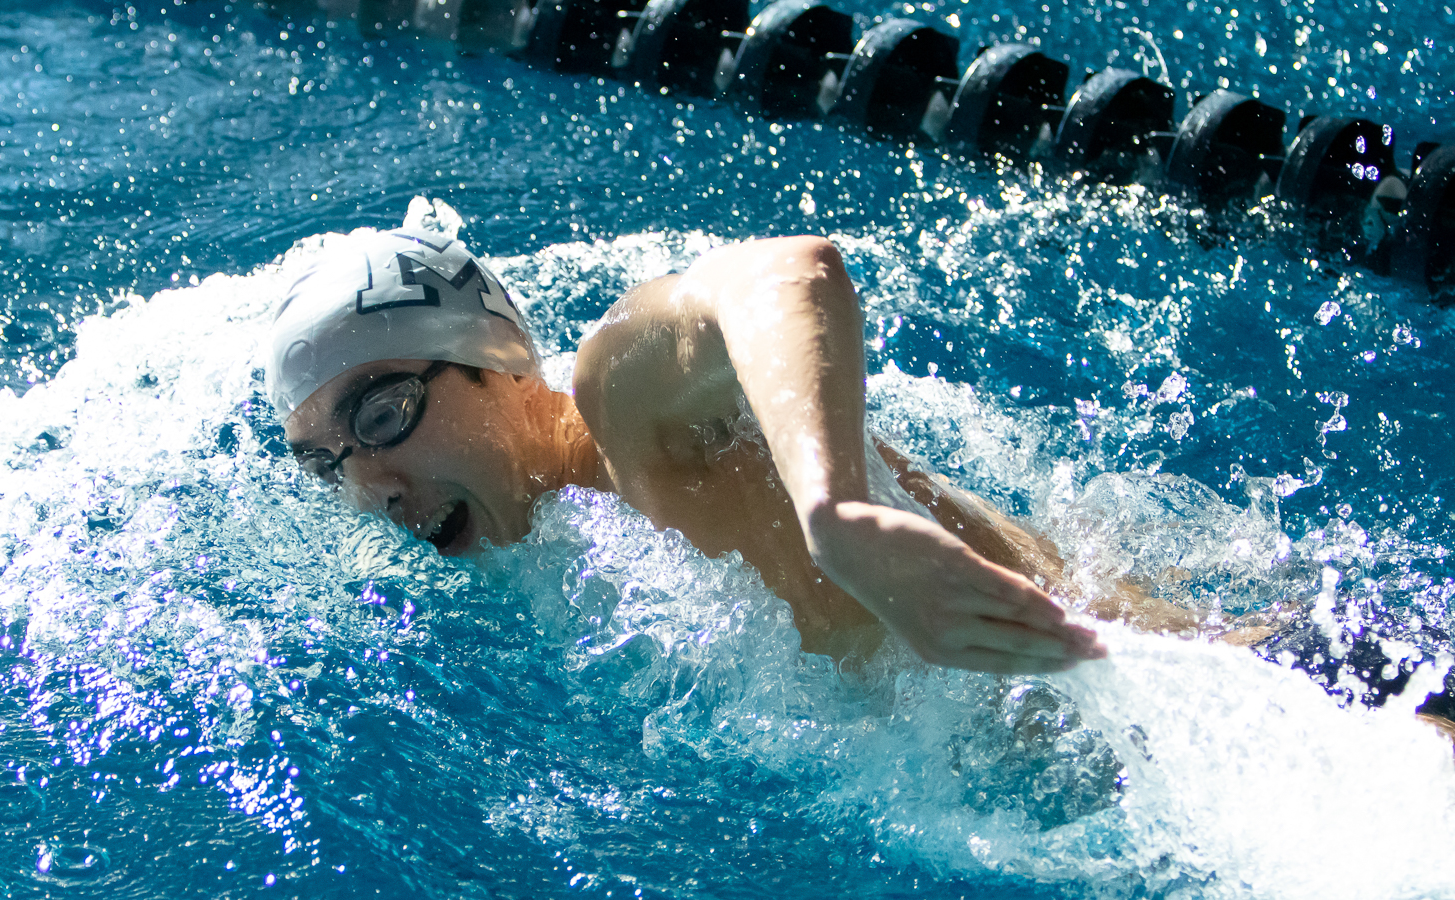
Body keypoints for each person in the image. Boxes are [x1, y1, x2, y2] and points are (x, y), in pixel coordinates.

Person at [266, 226, 1235, 674]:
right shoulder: (562, 542)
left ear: (500, 368)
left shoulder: (627, 414)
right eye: (326, 463)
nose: (372, 485)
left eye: (383, 416)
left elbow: (782, 271)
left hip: (1245, 689)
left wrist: (835, 511)